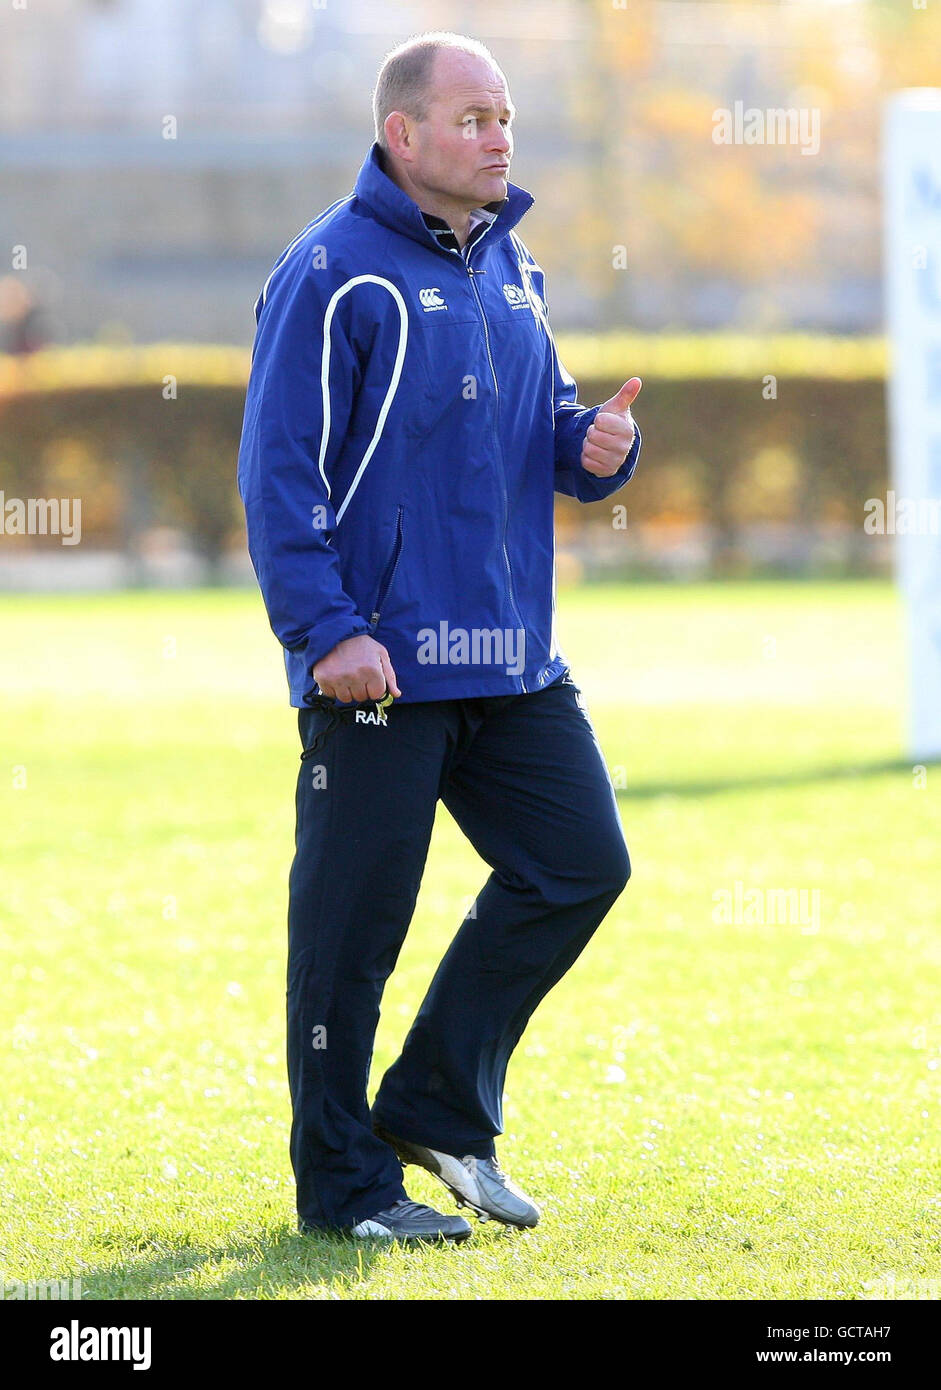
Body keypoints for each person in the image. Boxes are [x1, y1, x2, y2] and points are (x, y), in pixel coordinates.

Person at [237, 30, 644, 1244]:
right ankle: (344, 1187)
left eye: (503, 116)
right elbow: (278, 473)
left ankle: (433, 1106)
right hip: (378, 671)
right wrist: (324, 633)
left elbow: (540, 425)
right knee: (349, 935)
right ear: (400, 134)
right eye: (468, 118)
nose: (495, 136)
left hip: (512, 662)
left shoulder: (513, 267)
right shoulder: (330, 271)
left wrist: (587, 447)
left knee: (580, 863)